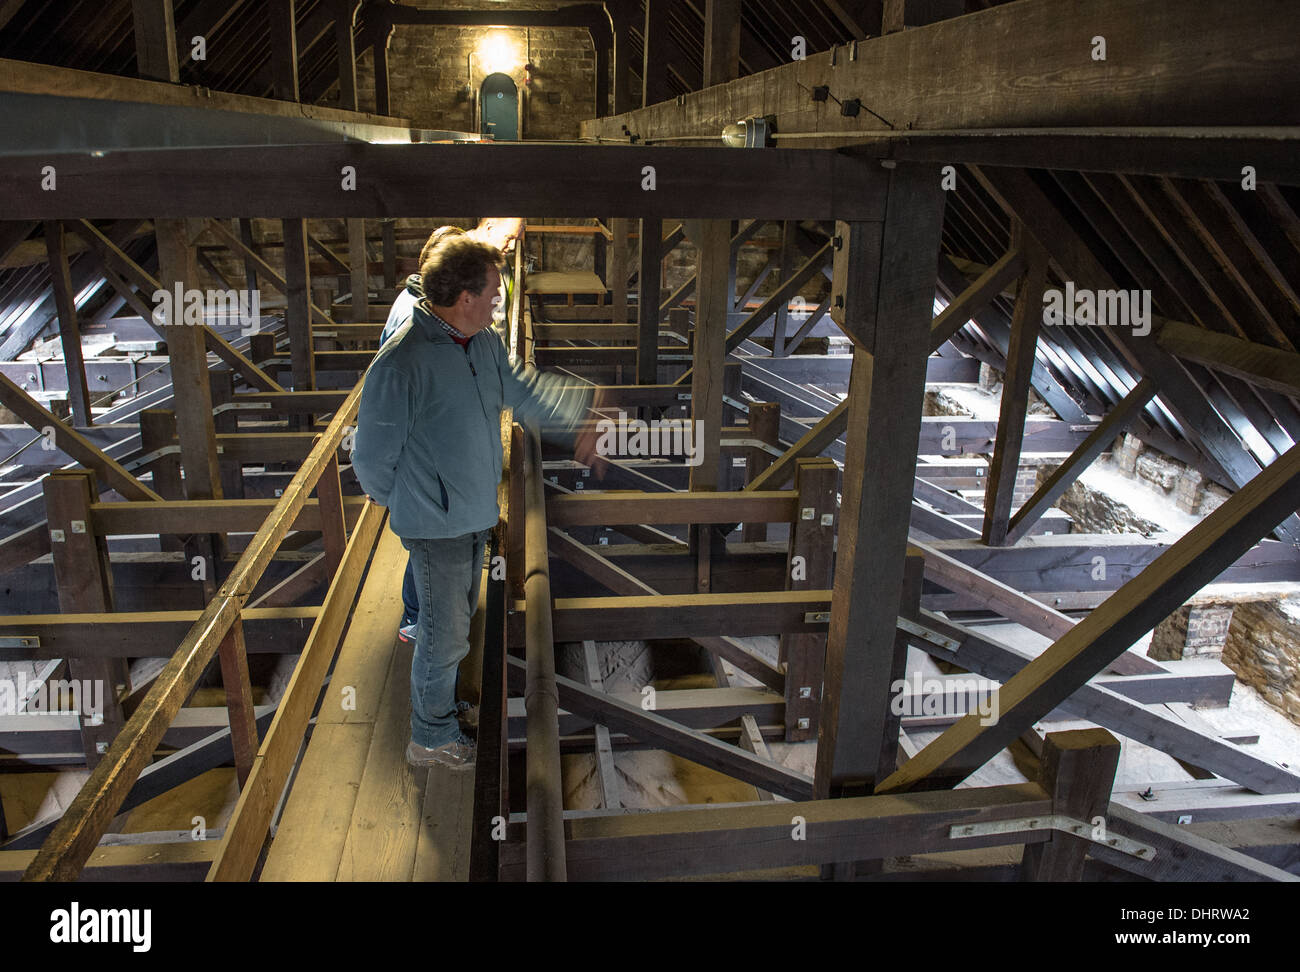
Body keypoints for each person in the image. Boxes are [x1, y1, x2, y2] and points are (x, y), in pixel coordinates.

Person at [352, 236, 601, 770]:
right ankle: (431, 735)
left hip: (470, 510)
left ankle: (437, 705)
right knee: (443, 633)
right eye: (492, 290)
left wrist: (580, 412)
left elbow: (523, 388)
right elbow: (371, 458)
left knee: (455, 618)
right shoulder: (403, 361)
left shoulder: (481, 343)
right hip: (435, 521)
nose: (499, 299)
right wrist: (411, 501)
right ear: (464, 296)